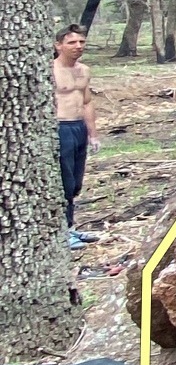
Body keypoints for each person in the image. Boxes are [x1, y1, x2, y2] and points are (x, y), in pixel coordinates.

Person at [52, 25, 101, 250]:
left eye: (81, 42)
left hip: (78, 126)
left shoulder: (84, 70)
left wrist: (93, 134)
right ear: (58, 45)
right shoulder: (50, 70)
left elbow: (87, 102)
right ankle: (62, 231)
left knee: (76, 182)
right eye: (71, 42)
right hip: (60, 127)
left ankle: (71, 227)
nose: (78, 46)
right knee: (65, 181)